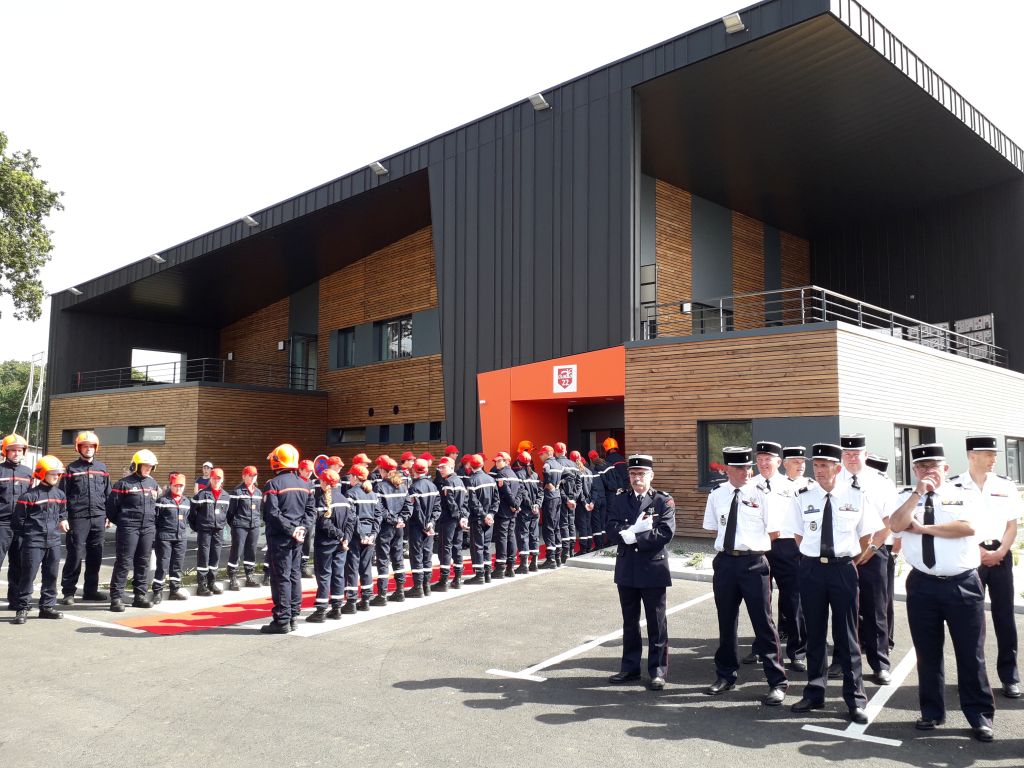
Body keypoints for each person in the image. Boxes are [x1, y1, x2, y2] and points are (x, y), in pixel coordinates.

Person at [889, 443, 996, 741]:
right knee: (927, 652)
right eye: (921, 466)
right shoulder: (905, 497)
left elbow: (966, 528)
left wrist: (923, 529)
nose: (928, 471)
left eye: (933, 466)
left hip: (962, 583)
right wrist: (916, 494)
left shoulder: (964, 494)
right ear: (914, 470)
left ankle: (979, 715)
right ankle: (932, 712)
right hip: (922, 584)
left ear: (946, 469)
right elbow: (896, 525)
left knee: (970, 652)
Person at [787, 443, 879, 724]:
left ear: (838, 468)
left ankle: (855, 699)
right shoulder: (802, 495)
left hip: (843, 569)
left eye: (826, 465)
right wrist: (816, 558)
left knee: (847, 635)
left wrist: (851, 559)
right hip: (812, 570)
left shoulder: (856, 495)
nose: (820, 470)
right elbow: (799, 536)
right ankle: (815, 692)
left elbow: (867, 536)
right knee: (814, 633)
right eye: (817, 465)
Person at [703, 446, 789, 705]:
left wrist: (751, 543)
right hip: (726, 562)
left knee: (763, 623)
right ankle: (726, 675)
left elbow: (774, 531)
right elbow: (713, 527)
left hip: (753, 563)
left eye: (748, 467)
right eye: (740, 468)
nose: (747, 471)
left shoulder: (761, 494)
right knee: (726, 622)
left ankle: (777, 681)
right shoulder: (717, 495)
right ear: (727, 469)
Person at [950, 436, 1022, 699]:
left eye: (995, 454)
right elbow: (954, 524)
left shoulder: (1006, 485)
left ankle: (1009, 677)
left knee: (1004, 619)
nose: (994, 459)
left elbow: (1012, 525)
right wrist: (976, 552)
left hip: (1000, 557)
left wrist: (1001, 551)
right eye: (988, 454)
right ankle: (971, 676)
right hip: (970, 559)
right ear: (972, 455)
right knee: (968, 623)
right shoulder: (954, 486)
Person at [605, 454, 676, 691]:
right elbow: (611, 525)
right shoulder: (620, 499)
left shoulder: (663, 501)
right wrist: (622, 532)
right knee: (630, 622)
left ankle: (657, 671)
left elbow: (665, 532)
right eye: (633, 474)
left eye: (642, 474)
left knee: (656, 623)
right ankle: (630, 668)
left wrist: (635, 536)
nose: (637, 478)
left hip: (652, 567)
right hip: (627, 568)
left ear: (651, 476)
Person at [833, 434, 896, 685]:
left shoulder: (880, 481)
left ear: (865, 455)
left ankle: (880, 662)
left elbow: (889, 520)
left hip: (875, 550)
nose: (850, 457)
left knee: (875, 609)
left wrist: (870, 549)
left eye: (855, 453)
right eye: (846, 454)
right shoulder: (833, 479)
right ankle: (841, 657)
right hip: (844, 552)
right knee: (842, 608)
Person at [260, 444, 315, 634]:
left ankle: (282, 620)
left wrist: (291, 529)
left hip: (280, 538)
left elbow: (272, 514)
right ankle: (293, 617)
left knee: (280, 577)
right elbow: (311, 512)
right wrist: (301, 529)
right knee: (294, 575)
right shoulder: (306, 484)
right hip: (298, 537)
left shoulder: (272, 485)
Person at [11, 456, 69, 624]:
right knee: (28, 575)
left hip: (54, 542)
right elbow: (17, 522)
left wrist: (63, 520)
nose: (57, 477)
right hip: (33, 542)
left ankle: (47, 607)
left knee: (51, 575)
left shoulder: (60, 494)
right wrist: (30, 535)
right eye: (53, 474)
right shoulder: (28, 496)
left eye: (58, 474)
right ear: (42, 473)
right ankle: (22, 608)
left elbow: (62, 512)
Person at [59, 430, 111, 605]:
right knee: (75, 554)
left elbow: (108, 494)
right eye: (85, 446)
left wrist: (108, 516)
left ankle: (90, 591)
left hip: (98, 517)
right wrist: (63, 517)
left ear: (96, 448)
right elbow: (62, 496)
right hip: (78, 518)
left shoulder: (102, 469)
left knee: (95, 556)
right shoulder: (71, 469)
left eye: (91, 446)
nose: (88, 449)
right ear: (78, 448)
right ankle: (68, 592)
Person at [106, 449, 161, 611]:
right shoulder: (123, 484)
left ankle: (140, 596)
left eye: (151, 466)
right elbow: (111, 509)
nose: (148, 468)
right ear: (136, 465)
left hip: (148, 528)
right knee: (124, 562)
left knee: (143, 562)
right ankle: (116, 598)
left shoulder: (153, 484)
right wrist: (124, 523)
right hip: (128, 527)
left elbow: (155, 507)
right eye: (145, 465)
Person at [307, 469, 354, 623]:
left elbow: (324, 523)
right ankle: (336, 608)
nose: (319, 483)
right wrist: (345, 537)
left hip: (325, 544)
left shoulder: (321, 500)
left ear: (325, 483)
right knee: (338, 574)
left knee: (324, 576)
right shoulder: (345, 499)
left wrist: (340, 535)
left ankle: (321, 610)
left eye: (321, 481)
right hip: (340, 545)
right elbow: (350, 522)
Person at [865, 453, 900, 653]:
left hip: (882, 546)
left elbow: (893, 522)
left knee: (883, 599)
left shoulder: (884, 485)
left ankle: (886, 639)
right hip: (863, 546)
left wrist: (894, 551)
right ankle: (866, 638)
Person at [372, 458, 411, 606]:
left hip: (385, 528)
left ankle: (382, 595)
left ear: (383, 471)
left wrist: (393, 520)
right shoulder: (402, 486)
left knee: (383, 560)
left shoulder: (380, 487)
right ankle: (400, 591)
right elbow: (408, 506)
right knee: (398, 558)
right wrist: (401, 519)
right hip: (399, 528)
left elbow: (379, 509)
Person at [1, 434, 33, 610]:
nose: (16, 453)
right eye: (12, 450)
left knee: (19, 564)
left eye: (19, 450)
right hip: (1, 524)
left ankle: (15, 601)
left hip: (21, 525)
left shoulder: (28, 472)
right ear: (5, 452)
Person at [343, 463, 380, 612]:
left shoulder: (351, 494)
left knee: (352, 567)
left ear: (355, 477)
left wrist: (362, 534)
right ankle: (366, 600)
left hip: (356, 536)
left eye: (350, 476)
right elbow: (378, 516)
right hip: (369, 535)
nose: (349, 478)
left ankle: (351, 601)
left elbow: (351, 518)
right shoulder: (372, 494)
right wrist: (372, 534)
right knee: (366, 568)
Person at [189, 467, 230, 596]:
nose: (216, 480)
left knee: (215, 556)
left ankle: (212, 582)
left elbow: (227, 513)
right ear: (210, 479)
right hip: (205, 530)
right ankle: (201, 585)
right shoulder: (201, 494)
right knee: (203, 556)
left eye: (219, 478)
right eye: (214, 478)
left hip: (218, 530)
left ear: (222, 479)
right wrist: (197, 527)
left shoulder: (226, 496)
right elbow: (192, 513)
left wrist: (223, 524)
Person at [153, 473, 190, 603]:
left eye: (181, 485)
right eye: (176, 485)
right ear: (171, 485)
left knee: (177, 565)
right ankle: (157, 591)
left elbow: (187, 519)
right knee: (162, 565)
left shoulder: (186, 502)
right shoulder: (162, 501)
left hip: (180, 538)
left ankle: (174, 590)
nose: (178, 488)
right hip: (164, 538)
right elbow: (155, 520)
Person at [406, 458, 441, 597]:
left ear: (414, 470)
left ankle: (418, 587)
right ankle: (426, 585)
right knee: (427, 555)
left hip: (417, 527)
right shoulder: (433, 486)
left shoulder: (413, 488)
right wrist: (431, 523)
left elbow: (416, 510)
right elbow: (437, 508)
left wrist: (424, 526)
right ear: (426, 470)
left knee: (416, 556)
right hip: (429, 527)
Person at [226, 466, 263, 590]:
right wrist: (235, 524)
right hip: (240, 525)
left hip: (254, 525)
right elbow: (231, 512)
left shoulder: (258, 492)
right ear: (244, 476)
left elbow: (259, 510)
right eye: (250, 475)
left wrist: (257, 522)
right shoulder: (237, 492)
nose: (252, 478)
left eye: (254, 475)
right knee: (236, 551)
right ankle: (232, 576)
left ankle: (249, 575)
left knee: (251, 550)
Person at [434, 456, 468, 590]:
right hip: (458, 521)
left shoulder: (447, 483)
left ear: (451, 467)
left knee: (445, 548)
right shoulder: (460, 482)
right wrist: (464, 517)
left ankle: (444, 580)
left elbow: (451, 504)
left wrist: (459, 517)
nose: (441, 470)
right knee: (457, 547)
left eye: (443, 467)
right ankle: (458, 578)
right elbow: (465, 502)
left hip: (449, 520)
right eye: (440, 467)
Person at [464, 453, 498, 584]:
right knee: (486, 546)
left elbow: (473, 502)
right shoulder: (490, 479)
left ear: (470, 466)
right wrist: (491, 515)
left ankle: (479, 575)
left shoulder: (471, 480)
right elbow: (496, 499)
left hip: (477, 519)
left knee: (477, 546)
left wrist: (484, 515)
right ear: (482, 464)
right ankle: (487, 573)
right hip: (489, 519)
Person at [490, 451, 522, 579]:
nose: (496, 463)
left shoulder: (501, 474)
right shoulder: (513, 474)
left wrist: (514, 504)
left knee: (502, 538)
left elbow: (507, 493)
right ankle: (511, 566)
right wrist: (516, 505)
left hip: (504, 511)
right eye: (496, 461)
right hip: (512, 510)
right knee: (511, 536)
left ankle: (500, 567)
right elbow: (520, 491)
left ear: (507, 461)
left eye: (499, 461)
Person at [512, 450, 541, 572]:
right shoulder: (535, 475)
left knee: (523, 535)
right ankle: (534, 564)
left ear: (519, 461)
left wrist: (530, 505)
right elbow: (541, 492)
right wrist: (537, 505)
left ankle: (524, 565)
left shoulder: (518, 475)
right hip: (535, 511)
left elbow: (522, 493)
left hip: (524, 510)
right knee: (534, 535)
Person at [555, 443, 581, 561]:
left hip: (562, 500)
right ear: (565, 451)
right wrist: (574, 498)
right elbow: (579, 483)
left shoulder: (556, 464)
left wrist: (566, 499)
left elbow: (557, 485)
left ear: (555, 452)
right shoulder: (574, 464)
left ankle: (565, 553)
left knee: (564, 525)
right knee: (571, 524)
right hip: (572, 500)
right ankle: (571, 550)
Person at [538, 445, 562, 569]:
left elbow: (546, 475)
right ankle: (557, 557)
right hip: (558, 496)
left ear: (548, 453)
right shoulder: (558, 464)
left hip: (550, 497)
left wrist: (548, 484)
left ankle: (551, 558)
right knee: (556, 526)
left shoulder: (547, 464)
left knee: (548, 527)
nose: (540, 457)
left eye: (541, 454)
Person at [571, 451, 594, 555]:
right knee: (588, 525)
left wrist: (584, 503)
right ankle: (589, 546)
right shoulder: (589, 471)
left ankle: (584, 548)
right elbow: (594, 488)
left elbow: (579, 490)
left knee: (582, 526)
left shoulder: (577, 472)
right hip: (589, 502)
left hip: (582, 503)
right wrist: (592, 502)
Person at [298, 459, 316, 577]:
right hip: (298, 516)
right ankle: (295, 565)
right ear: (300, 470)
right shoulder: (296, 482)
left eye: (311, 471)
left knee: (307, 542)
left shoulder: (311, 483)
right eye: (307, 471)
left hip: (308, 517)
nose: (309, 473)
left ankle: (303, 567)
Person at [588, 450, 608, 550]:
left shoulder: (592, 471)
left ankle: (599, 545)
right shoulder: (603, 466)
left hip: (596, 499)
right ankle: (605, 542)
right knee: (603, 521)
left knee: (596, 523)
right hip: (604, 498)